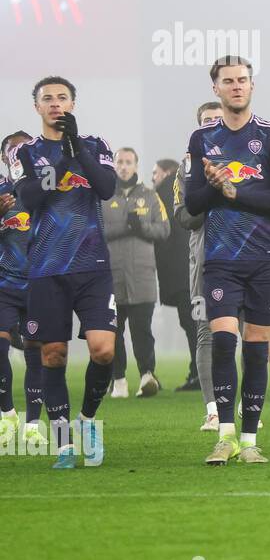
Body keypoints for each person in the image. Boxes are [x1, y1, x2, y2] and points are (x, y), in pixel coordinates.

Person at [185, 56, 270, 465]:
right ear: (215, 88)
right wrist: (212, 187)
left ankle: (250, 440)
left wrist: (234, 191)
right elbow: (192, 204)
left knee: (255, 347)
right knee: (222, 339)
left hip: (264, 257)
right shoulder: (201, 140)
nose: (237, 86)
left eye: (243, 80)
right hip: (219, 258)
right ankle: (225, 434)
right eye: (228, 81)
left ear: (252, 86)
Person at [13, 76, 118, 468]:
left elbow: (106, 187)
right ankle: (63, 443)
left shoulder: (96, 145)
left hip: (93, 267)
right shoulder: (26, 152)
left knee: (103, 350)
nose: (55, 104)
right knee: (53, 354)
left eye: (62, 98)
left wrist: (77, 149)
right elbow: (30, 197)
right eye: (47, 99)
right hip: (46, 268)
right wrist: (64, 158)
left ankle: (87, 420)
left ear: (73, 104)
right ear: (37, 107)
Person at [172, 101, 223, 431]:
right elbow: (183, 216)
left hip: (247, 258)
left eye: (217, 119)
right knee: (206, 333)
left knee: (248, 333)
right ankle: (212, 410)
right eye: (206, 121)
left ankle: (247, 408)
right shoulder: (186, 167)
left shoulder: (248, 160)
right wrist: (212, 194)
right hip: (205, 259)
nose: (213, 124)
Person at [103, 147, 170, 399]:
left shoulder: (150, 196)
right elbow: (96, 230)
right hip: (111, 275)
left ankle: (146, 376)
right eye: (119, 162)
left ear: (136, 165)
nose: (123, 166)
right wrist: (125, 226)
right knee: (113, 331)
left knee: (142, 330)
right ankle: (118, 379)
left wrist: (140, 227)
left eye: (128, 162)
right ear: (113, 165)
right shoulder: (104, 195)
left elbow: (164, 230)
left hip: (142, 274)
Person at [0, 130, 43, 447]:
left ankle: (32, 423)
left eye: (23, 149)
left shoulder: (47, 188)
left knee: (36, 353)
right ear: (4, 159)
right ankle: (7, 416)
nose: (17, 154)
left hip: (40, 284)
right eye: (12, 150)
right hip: (4, 282)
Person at [152, 157, 200, 391]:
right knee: (193, 322)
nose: (153, 177)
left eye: (156, 172)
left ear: (168, 171)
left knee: (192, 323)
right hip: (190, 265)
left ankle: (200, 374)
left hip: (179, 270)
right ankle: (198, 372)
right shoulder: (185, 187)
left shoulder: (163, 191)